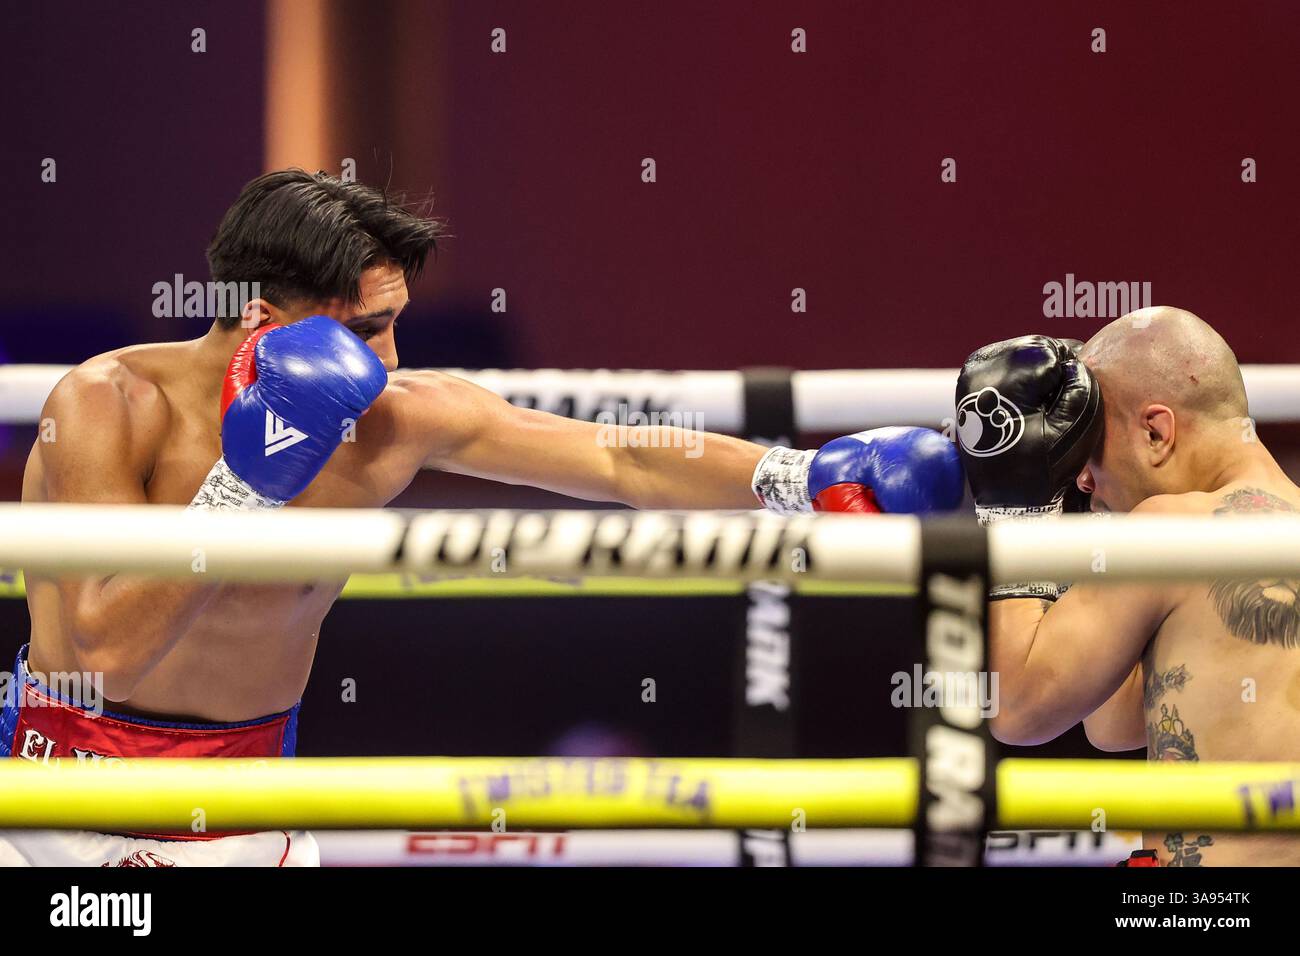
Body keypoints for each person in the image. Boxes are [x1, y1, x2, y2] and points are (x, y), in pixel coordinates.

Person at [0, 169, 962, 866]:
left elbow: (620, 455)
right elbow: (102, 655)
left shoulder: (394, 419)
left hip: (251, 798)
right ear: (260, 321)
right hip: (68, 790)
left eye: (395, 319)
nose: (387, 354)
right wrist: (243, 490)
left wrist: (798, 476)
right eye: (364, 329)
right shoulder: (108, 404)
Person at [957, 306, 1300, 866]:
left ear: (1156, 431)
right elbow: (1113, 724)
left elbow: (1019, 707)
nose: (1084, 477)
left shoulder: (1172, 527)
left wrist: (1017, 510)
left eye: (1090, 444)